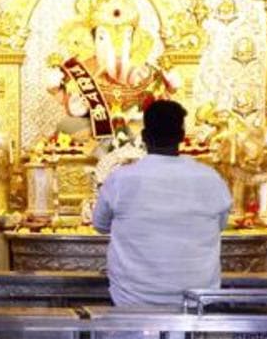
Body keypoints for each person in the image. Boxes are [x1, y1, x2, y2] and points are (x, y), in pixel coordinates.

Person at [92, 99, 232, 306]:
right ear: (182, 137)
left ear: (145, 136)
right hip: (196, 301)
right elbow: (220, 225)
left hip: (132, 300)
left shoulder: (120, 179)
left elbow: (101, 225)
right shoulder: (210, 178)